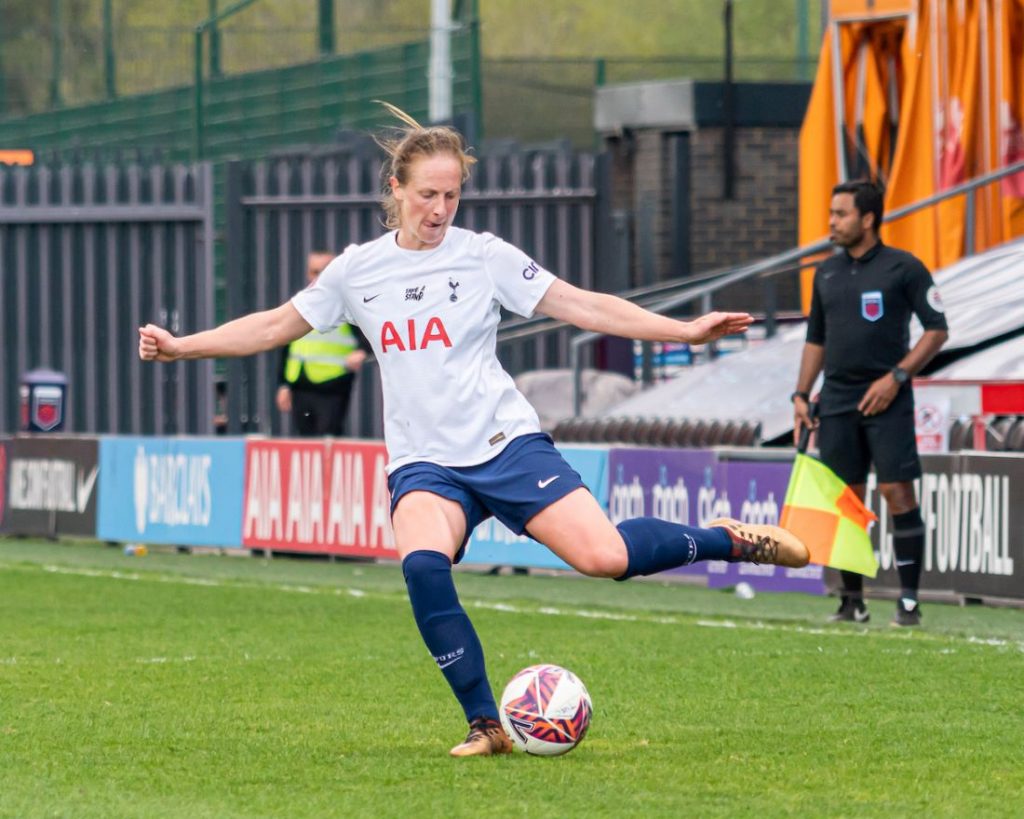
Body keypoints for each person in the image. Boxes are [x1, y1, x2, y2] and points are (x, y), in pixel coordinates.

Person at [139, 102, 810, 758]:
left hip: (506, 444)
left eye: (452, 195)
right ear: (396, 188)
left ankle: (727, 539)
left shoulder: (484, 256)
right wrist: (181, 346)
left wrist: (683, 331)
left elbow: (581, 305)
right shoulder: (356, 270)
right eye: (427, 194)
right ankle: (485, 723)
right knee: (423, 565)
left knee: (606, 559)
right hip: (425, 462)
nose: (440, 209)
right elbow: (272, 325)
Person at [792, 180, 948, 628]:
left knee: (897, 493)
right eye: (831, 213)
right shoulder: (826, 272)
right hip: (837, 399)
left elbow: (937, 330)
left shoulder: (904, 268)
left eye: (840, 214)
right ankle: (852, 602)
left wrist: (896, 377)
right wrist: (801, 394)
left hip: (887, 399)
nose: (831, 222)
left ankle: (909, 602)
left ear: (868, 218)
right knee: (848, 500)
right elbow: (816, 339)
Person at [276, 251, 371, 437]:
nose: (318, 278)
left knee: (327, 440)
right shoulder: (300, 305)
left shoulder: (346, 306)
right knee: (305, 444)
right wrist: (283, 385)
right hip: (299, 384)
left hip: (332, 385)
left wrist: (362, 352)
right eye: (314, 272)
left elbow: (370, 335)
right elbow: (286, 347)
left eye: (323, 272)